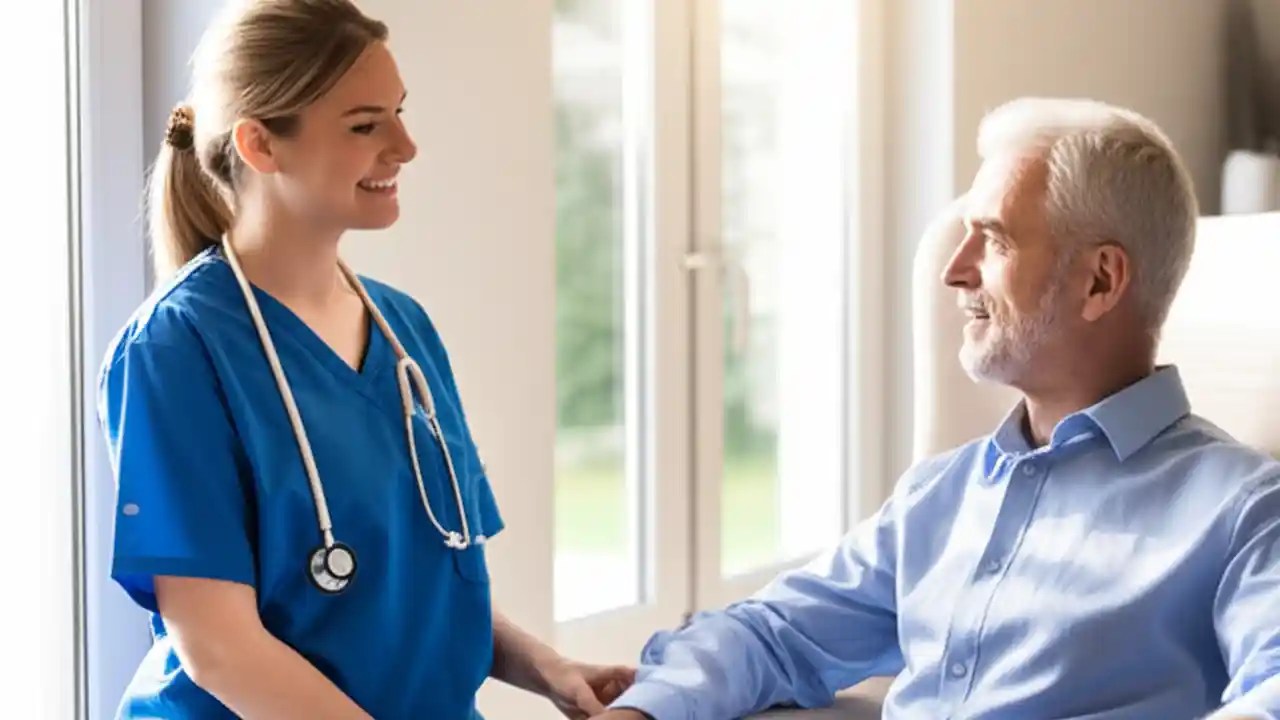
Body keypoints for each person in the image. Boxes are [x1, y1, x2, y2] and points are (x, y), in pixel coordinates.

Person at [599, 98, 1280, 719]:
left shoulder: (1244, 508)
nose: (956, 270)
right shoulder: (941, 496)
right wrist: (642, 711)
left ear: (1100, 279)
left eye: (996, 239)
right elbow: (771, 633)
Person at [97, 1, 631, 717]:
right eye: (365, 124)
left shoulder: (403, 330)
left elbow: (421, 583)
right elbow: (219, 649)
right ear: (261, 145)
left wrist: (550, 668)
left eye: (399, 113)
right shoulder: (174, 351)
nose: (405, 145)